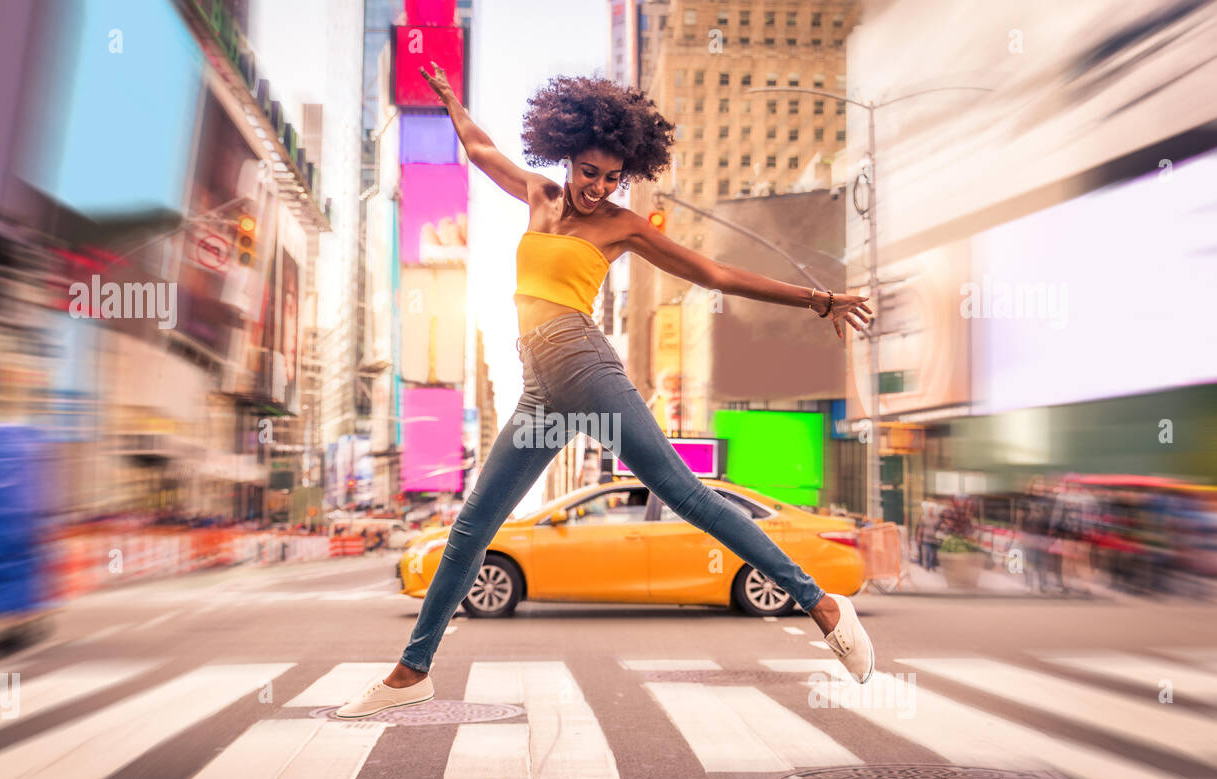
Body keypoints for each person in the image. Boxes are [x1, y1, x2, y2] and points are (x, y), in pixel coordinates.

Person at [336, 66, 877, 719]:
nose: (597, 187)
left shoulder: (625, 228)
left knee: (685, 494)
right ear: (567, 158)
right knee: (473, 525)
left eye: (610, 177)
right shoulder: (538, 195)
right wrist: (451, 98)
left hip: (584, 364)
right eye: (588, 171)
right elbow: (479, 150)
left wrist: (819, 299)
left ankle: (822, 605)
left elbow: (716, 273)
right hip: (542, 387)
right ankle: (411, 670)